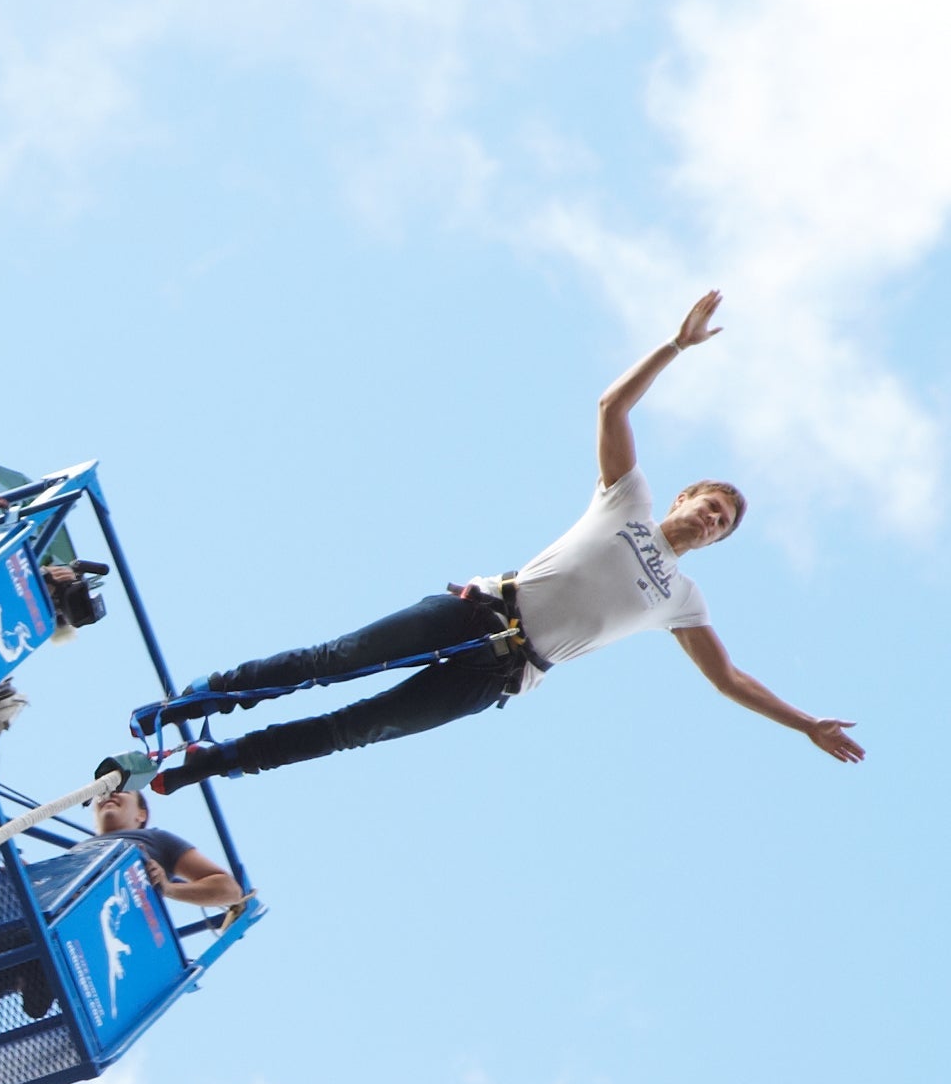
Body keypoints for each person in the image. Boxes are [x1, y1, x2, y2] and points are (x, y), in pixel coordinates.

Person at [152, 291, 864, 795]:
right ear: (684, 497)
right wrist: (674, 346)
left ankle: (217, 761)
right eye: (709, 506)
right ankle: (207, 696)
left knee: (353, 728)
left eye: (722, 525)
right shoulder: (630, 500)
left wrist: (802, 724)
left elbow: (727, 679)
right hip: (475, 614)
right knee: (333, 662)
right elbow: (611, 406)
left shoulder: (680, 597)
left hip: (498, 674)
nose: (711, 520)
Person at [0, 786, 243, 1052]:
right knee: (12, 937)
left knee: (18, 936)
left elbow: (229, 889)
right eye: (103, 793)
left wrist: (169, 887)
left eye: (122, 791)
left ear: (141, 815)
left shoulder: (154, 841)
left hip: (102, 930)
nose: (110, 794)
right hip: (60, 927)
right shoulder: (79, 853)